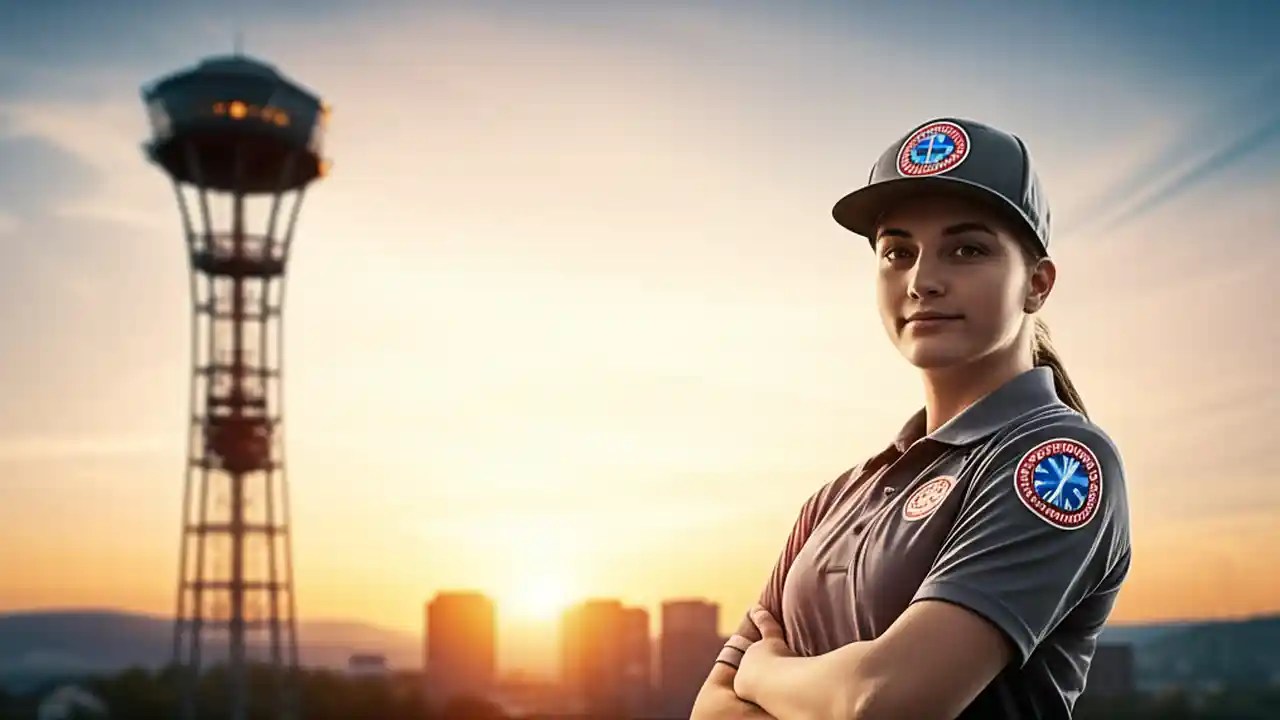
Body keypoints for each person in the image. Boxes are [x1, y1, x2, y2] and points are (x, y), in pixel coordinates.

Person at [689, 117, 1132, 720]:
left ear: (1037, 283)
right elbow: (710, 709)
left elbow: (886, 702)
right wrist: (833, 693)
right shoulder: (835, 499)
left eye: (966, 250)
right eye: (898, 252)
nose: (923, 281)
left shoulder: (1058, 462)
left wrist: (765, 672)